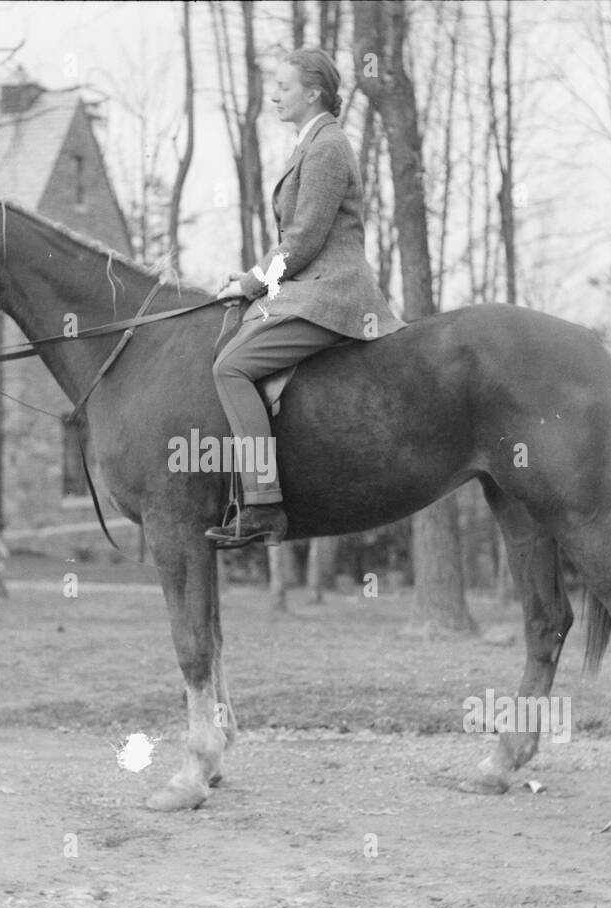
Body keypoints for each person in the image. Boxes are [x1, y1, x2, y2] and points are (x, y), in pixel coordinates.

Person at [207, 47, 405, 548]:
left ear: (313, 93)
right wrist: (252, 282)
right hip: (307, 289)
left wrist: (254, 282)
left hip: (333, 295)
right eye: (274, 85)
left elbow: (304, 240)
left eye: (284, 86)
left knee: (230, 368)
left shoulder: (326, 147)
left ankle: (263, 505)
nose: (273, 94)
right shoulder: (311, 144)